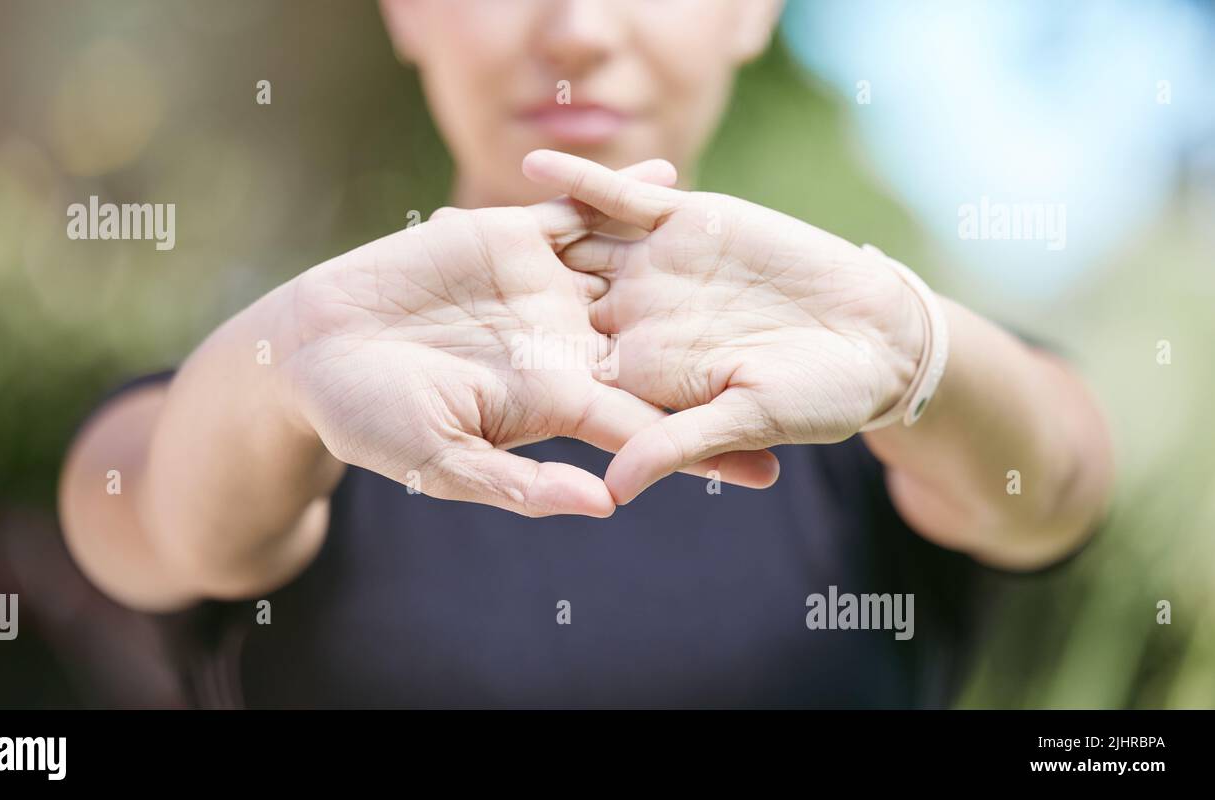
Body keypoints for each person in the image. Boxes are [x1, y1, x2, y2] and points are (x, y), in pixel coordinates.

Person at [58, 0, 1113, 708]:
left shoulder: (866, 378)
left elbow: (1057, 478)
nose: (574, 29)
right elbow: (145, 512)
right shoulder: (282, 387)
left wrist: (916, 351)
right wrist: (284, 359)